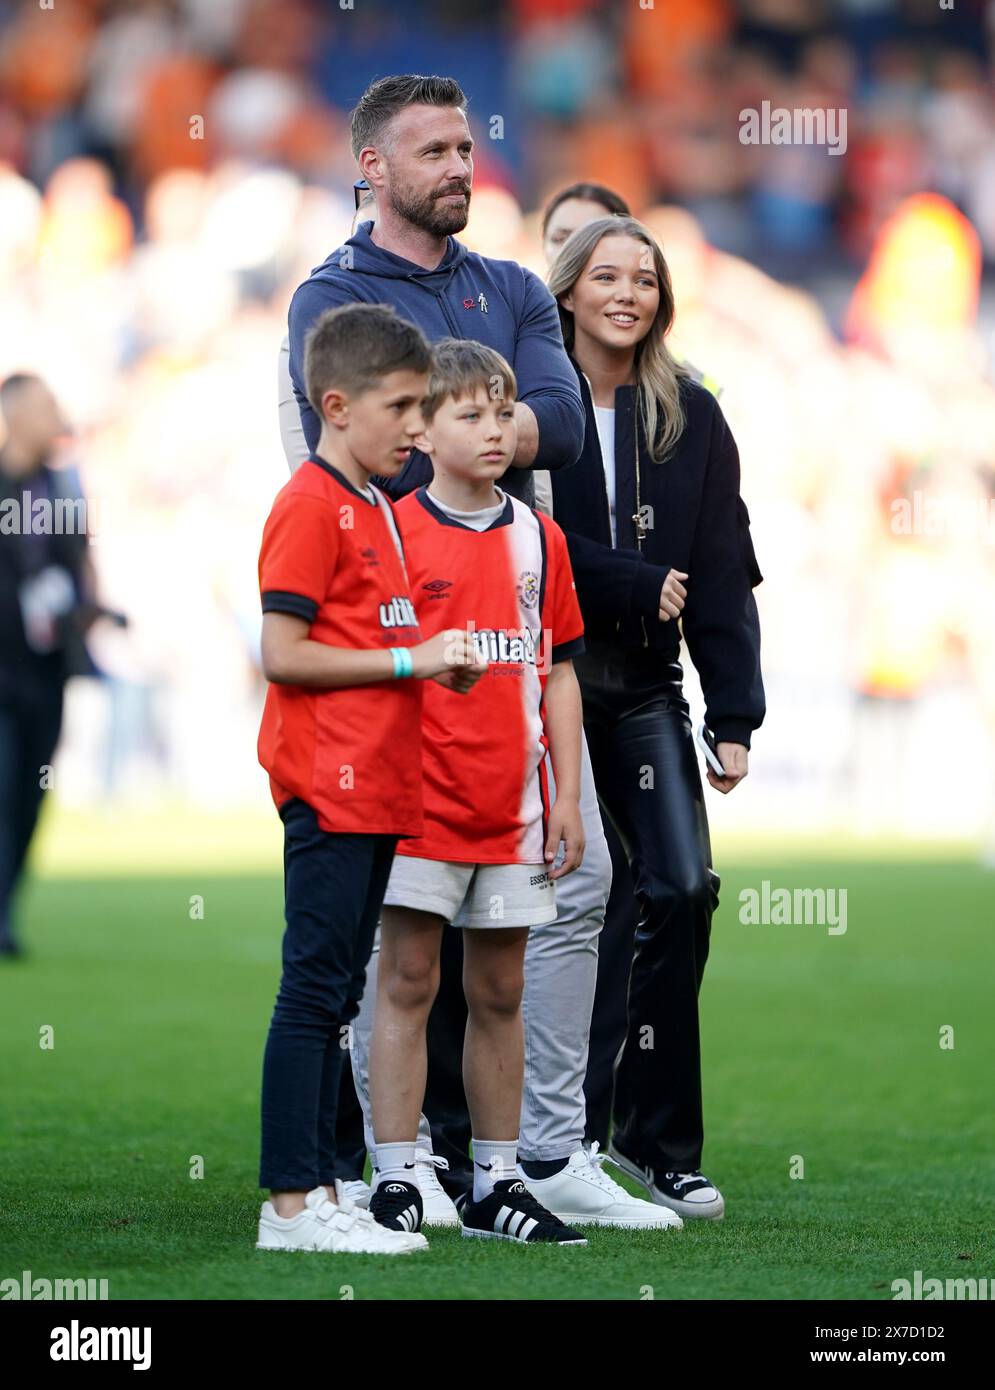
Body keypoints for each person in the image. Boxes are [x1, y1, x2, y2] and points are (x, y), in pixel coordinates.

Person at [283, 74, 661, 1230]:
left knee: (569, 892)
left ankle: (538, 1152)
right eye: (433, 150)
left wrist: (448, 424)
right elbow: (356, 450)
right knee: (386, 938)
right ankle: (384, 1163)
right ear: (372, 167)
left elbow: (559, 415)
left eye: (464, 145)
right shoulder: (329, 292)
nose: (460, 165)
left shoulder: (509, 285)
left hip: (507, 641)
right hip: (382, 651)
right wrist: (473, 425)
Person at [544, 216, 766, 1220]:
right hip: (536, 685)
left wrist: (735, 712)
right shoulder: (521, 404)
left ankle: (655, 1142)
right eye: (605, 275)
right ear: (568, 289)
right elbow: (522, 542)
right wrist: (635, 579)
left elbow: (720, 571)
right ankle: (529, 1139)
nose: (626, 292)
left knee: (679, 888)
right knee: (544, 907)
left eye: (644, 278)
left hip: (639, 690)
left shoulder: (693, 417)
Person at [254, 302, 486, 1255]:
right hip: (330, 784)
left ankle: (329, 1185)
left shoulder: (377, 508)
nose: (418, 427)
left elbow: (373, 639)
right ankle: (290, 1207)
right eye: (402, 407)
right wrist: (410, 662)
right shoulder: (311, 503)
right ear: (337, 405)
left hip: (378, 787)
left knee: (340, 993)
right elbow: (282, 652)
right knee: (313, 993)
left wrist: (430, 659)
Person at [366, 338, 596, 1243]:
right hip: (416, 807)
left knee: (501, 989)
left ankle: (497, 1181)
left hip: (516, 808)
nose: (494, 429)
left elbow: (558, 672)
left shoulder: (539, 536)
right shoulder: (391, 531)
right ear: (421, 429)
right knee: (409, 980)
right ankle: (396, 1173)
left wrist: (569, 797)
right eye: (470, 413)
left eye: (503, 411)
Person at [0, 375, 93, 959]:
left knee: (31, 794)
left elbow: (79, 568)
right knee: (5, 788)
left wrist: (93, 613)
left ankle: (6, 906)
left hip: (46, 671)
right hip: (2, 672)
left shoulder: (62, 488)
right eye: (45, 406)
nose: (57, 414)